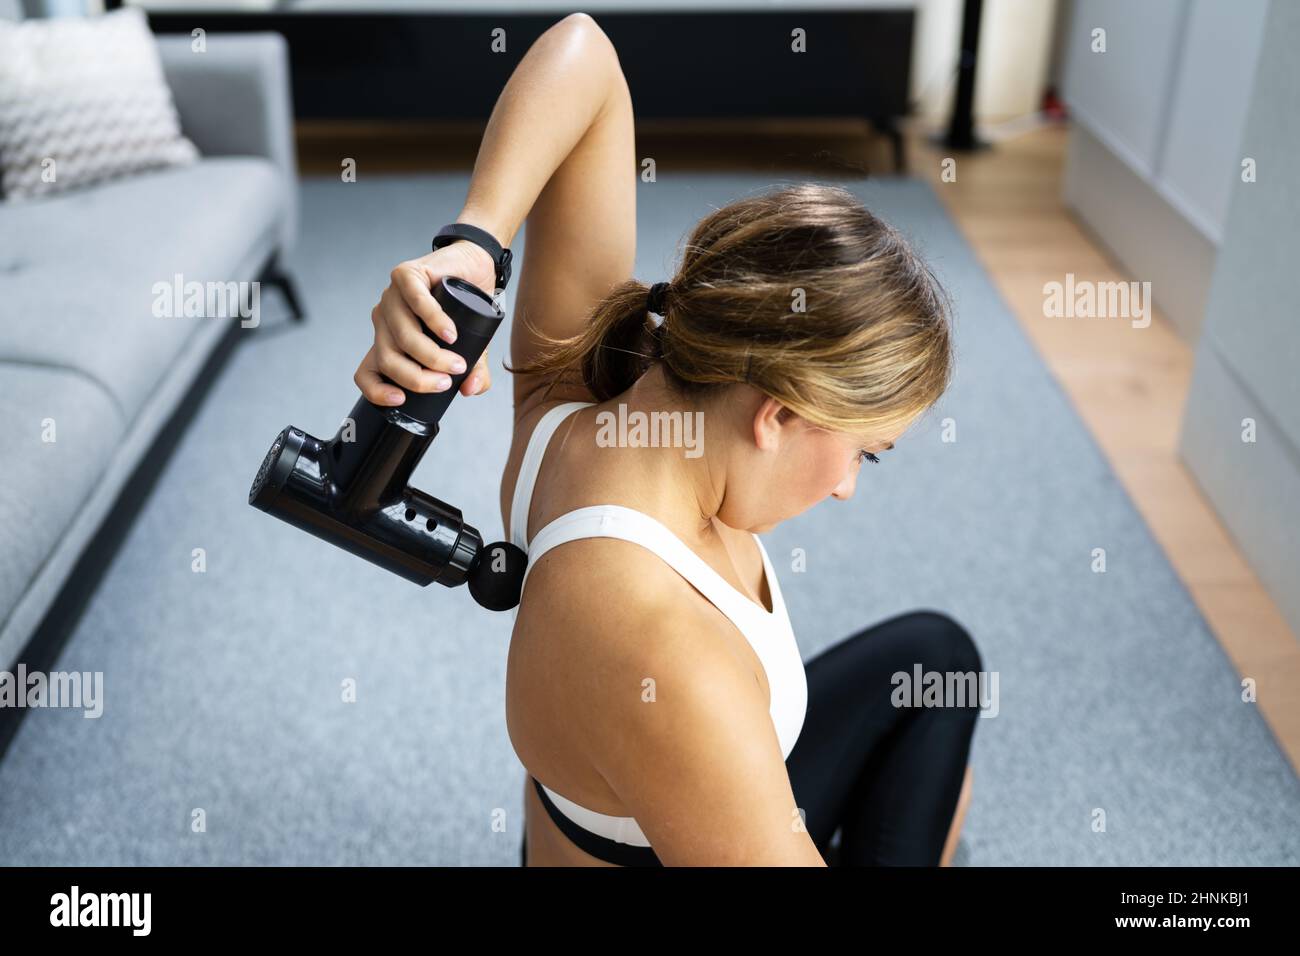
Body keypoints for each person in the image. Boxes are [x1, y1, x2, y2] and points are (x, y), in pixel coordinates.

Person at [355, 13, 981, 866]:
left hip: (678, 785)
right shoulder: (663, 647)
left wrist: (473, 243)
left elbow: (585, 53)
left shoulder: (577, 388)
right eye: (862, 452)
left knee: (937, 664)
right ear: (780, 414)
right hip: (682, 769)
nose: (845, 488)